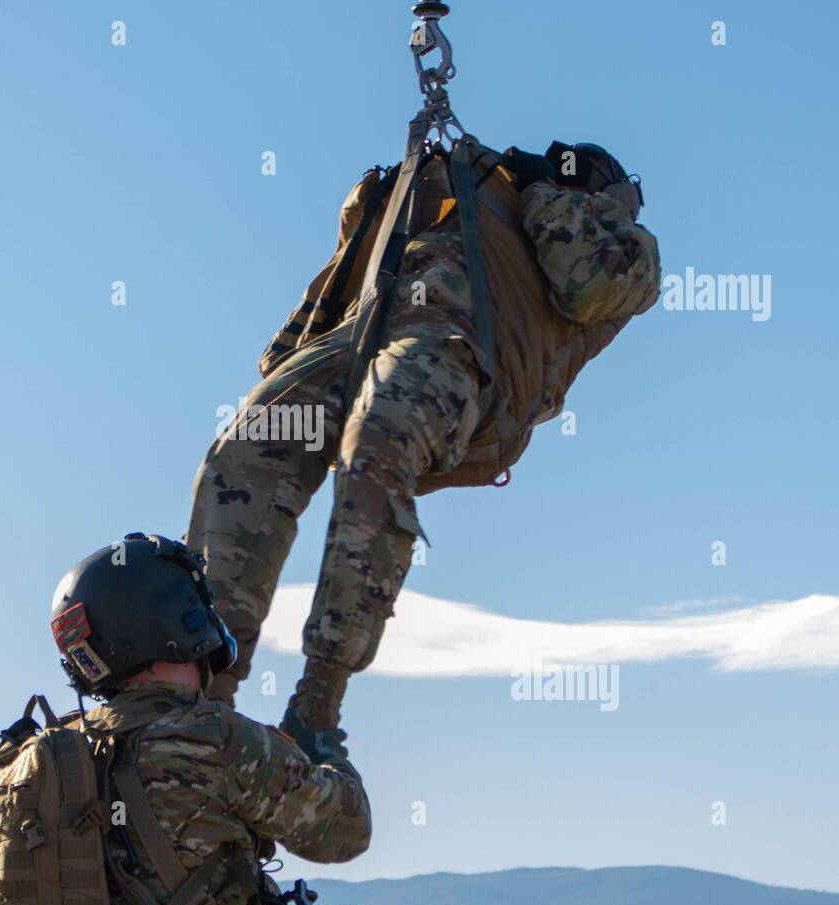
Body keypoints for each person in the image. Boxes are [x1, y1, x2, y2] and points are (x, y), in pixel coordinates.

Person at [186, 139, 661, 729]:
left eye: (585, 173)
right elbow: (356, 242)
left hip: (458, 347)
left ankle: (317, 703)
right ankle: (199, 693)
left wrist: (546, 193)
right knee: (245, 450)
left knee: (378, 443)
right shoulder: (475, 192)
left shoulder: (626, 246)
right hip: (362, 333)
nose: (562, 169)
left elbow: (587, 283)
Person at [30, 531, 371, 905]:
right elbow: (346, 831)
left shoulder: (53, 757)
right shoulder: (217, 740)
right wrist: (325, 748)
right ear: (180, 620)